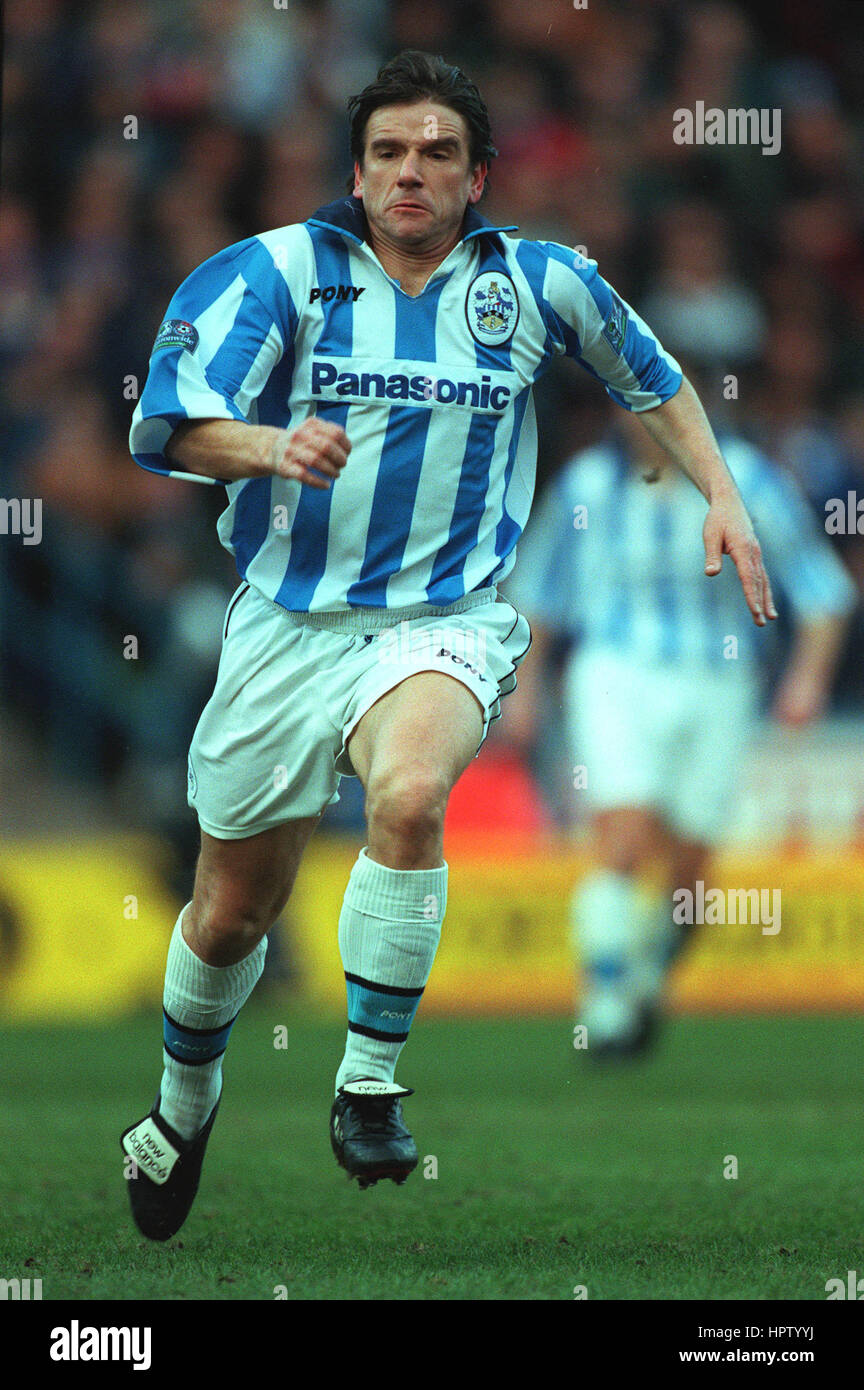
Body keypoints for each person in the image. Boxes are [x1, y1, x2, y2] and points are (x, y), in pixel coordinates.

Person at [121, 50, 775, 1240]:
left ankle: (368, 1085)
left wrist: (722, 492)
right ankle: (181, 1103)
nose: (409, 173)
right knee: (230, 914)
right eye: (386, 153)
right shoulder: (271, 273)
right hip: (288, 626)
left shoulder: (536, 283)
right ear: (356, 171)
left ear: (478, 179)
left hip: (444, 620)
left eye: (436, 154)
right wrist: (270, 448)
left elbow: (655, 378)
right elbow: (162, 423)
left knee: (412, 795)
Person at [505, 405, 854, 1057]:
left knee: (691, 871)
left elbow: (823, 589)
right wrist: (524, 689)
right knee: (625, 833)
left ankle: (645, 977)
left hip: (718, 681)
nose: (647, 418)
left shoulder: (746, 478)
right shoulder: (586, 486)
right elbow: (540, 594)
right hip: (614, 673)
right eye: (632, 402)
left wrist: (806, 678)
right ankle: (606, 1004)